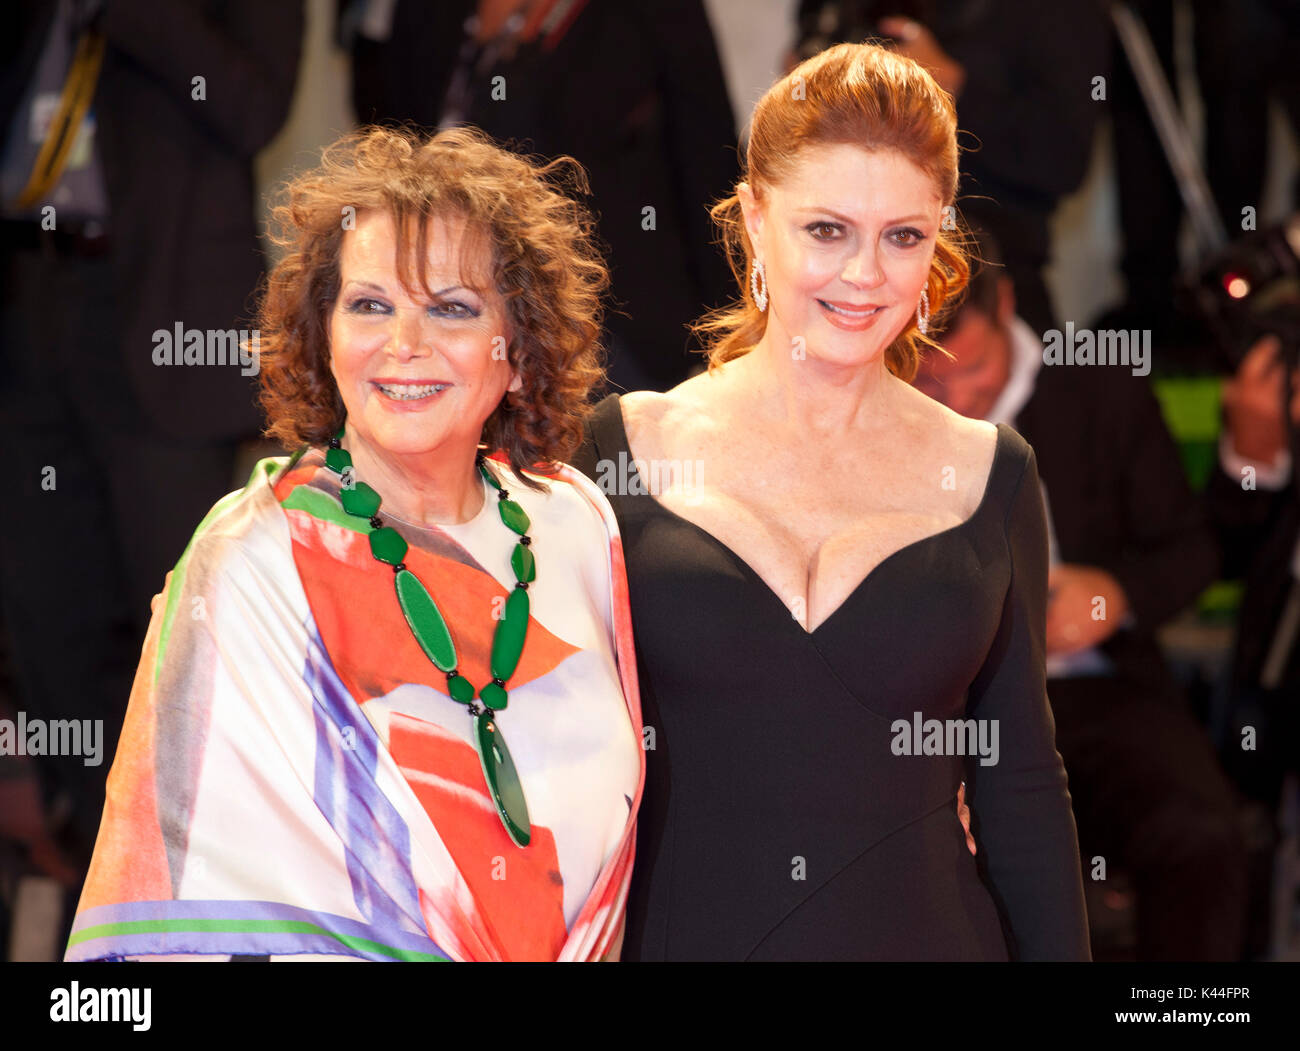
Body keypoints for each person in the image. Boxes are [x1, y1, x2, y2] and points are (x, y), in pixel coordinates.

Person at [64, 126, 643, 962]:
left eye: (452, 307)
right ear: (324, 336)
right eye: (370, 304)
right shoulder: (252, 560)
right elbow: (177, 900)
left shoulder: (577, 526)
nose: (404, 344)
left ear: (515, 351)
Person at [570, 43, 1090, 960]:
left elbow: (1022, 792)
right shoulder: (619, 452)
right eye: (827, 230)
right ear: (754, 221)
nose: (865, 275)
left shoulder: (990, 473)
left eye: (903, 236)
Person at [914, 231, 1248, 961]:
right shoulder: (878, 408)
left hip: (1094, 693)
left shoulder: (1095, 386)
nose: (956, 399)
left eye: (971, 370)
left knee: (1203, 833)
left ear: (1005, 306)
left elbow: (1192, 549)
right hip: (945, 710)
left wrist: (1111, 597)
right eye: (929, 382)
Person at [342, 0, 738, 394]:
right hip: (453, 310)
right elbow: (393, 140)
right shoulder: (429, 13)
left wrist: (729, 322)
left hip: (615, 319)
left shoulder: (653, 13)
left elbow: (708, 162)